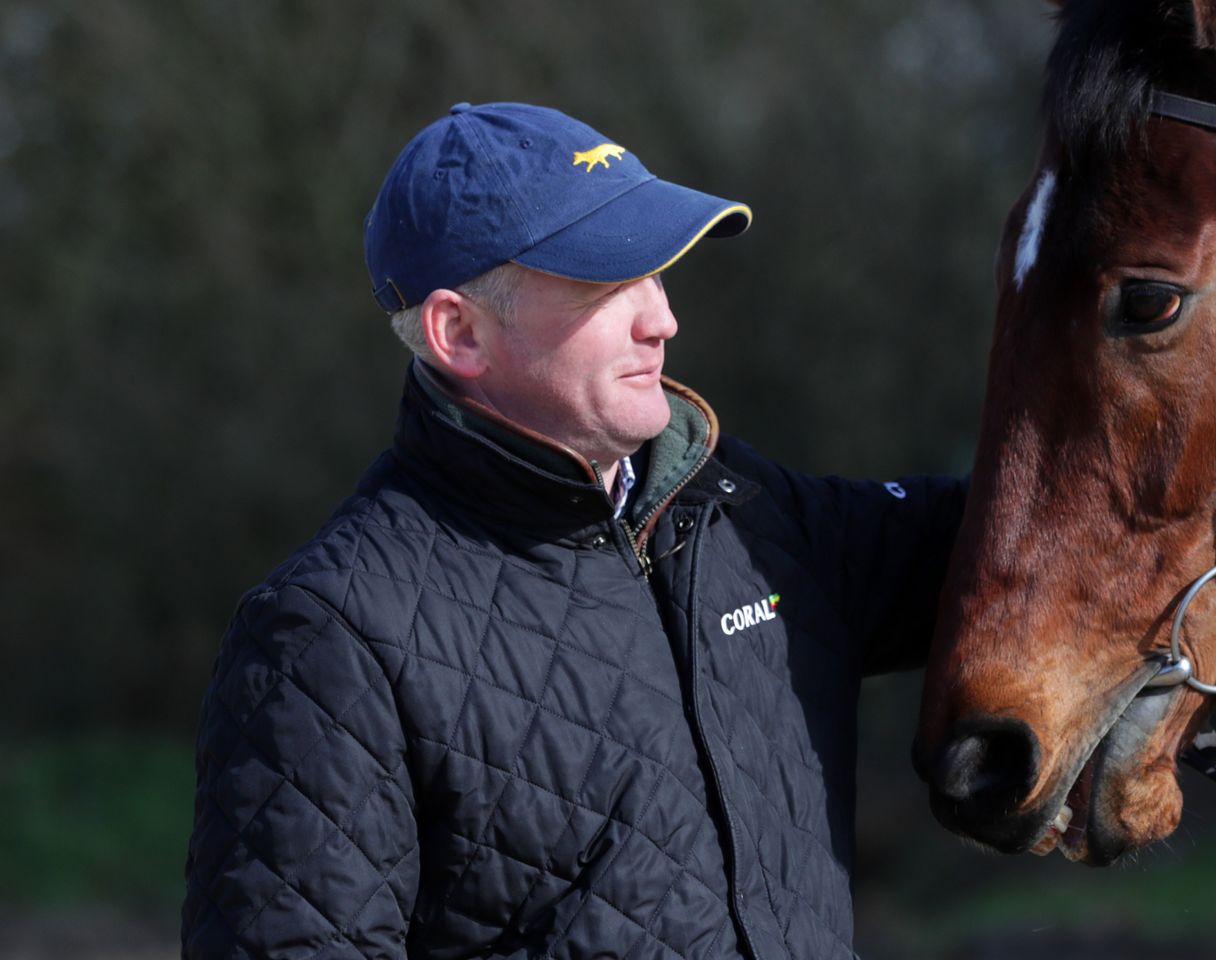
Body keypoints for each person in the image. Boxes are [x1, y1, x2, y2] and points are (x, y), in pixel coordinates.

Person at [181, 102, 964, 959]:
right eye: (607, 283)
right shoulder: (328, 636)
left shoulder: (752, 518)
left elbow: (1034, 539)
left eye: (657, 275)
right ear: (460, 332)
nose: (660, 320)